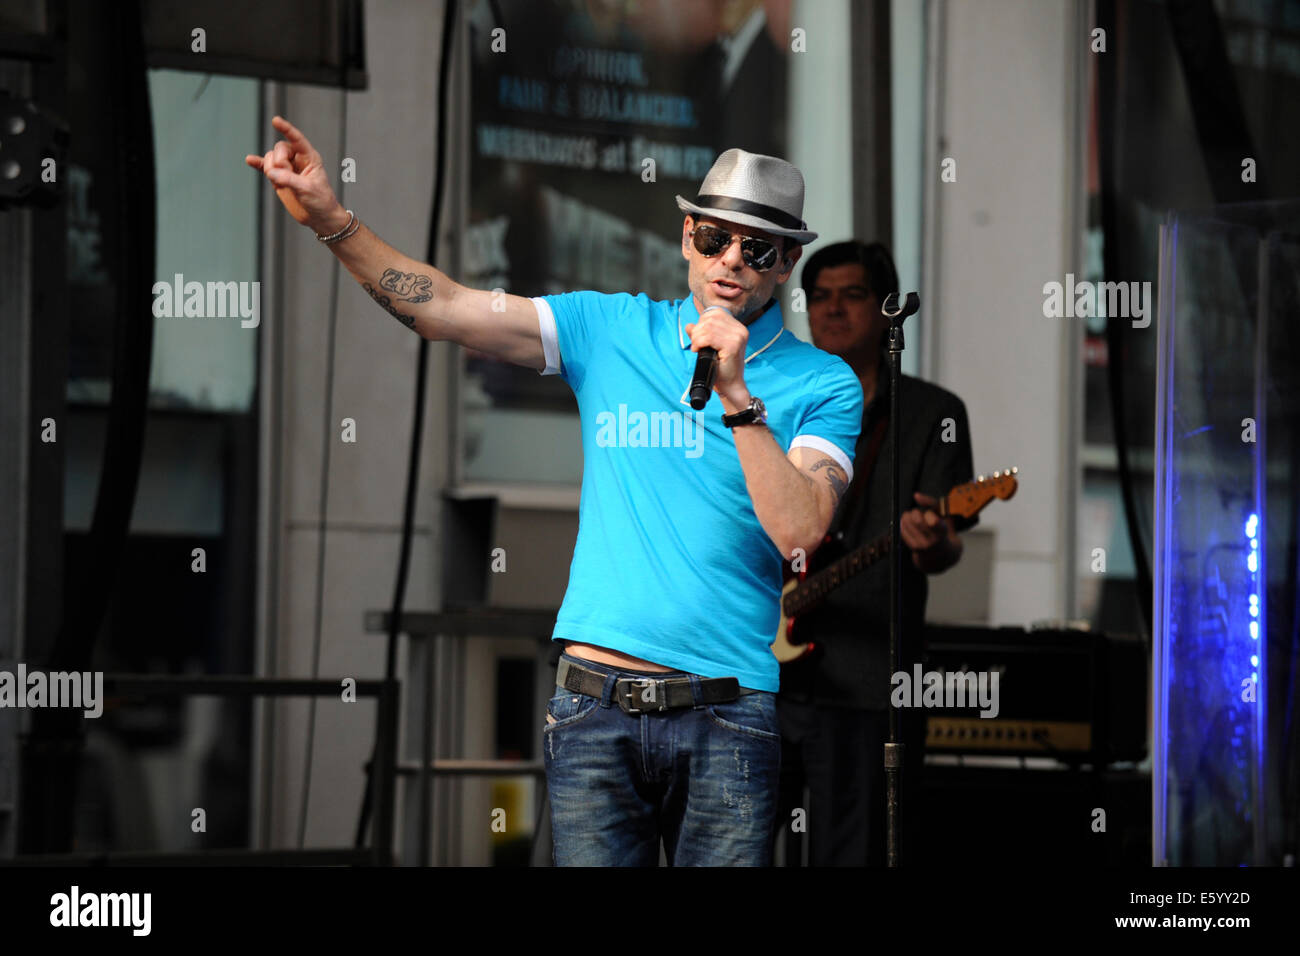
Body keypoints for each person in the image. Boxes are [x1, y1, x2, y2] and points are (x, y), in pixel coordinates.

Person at [247, 118, 862, 866]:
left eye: (756, 248)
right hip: (593, 705)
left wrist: (737, 399)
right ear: (686, 237)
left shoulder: (822, 382)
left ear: (787, 262)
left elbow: (801, 532)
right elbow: (444, 308)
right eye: (713, 238)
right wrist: (330, 220)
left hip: (728, 713)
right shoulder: (608, 328)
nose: (730, 261)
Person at [775, 240, 976, 866]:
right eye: (819, 297)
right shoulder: (774, 401)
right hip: (758, 672)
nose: (832, 310)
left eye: (852, 295)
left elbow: (940, 552)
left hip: (865, 686)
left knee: (850, 856)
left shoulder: (933, 414)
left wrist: (934, 541)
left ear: (889, 309)